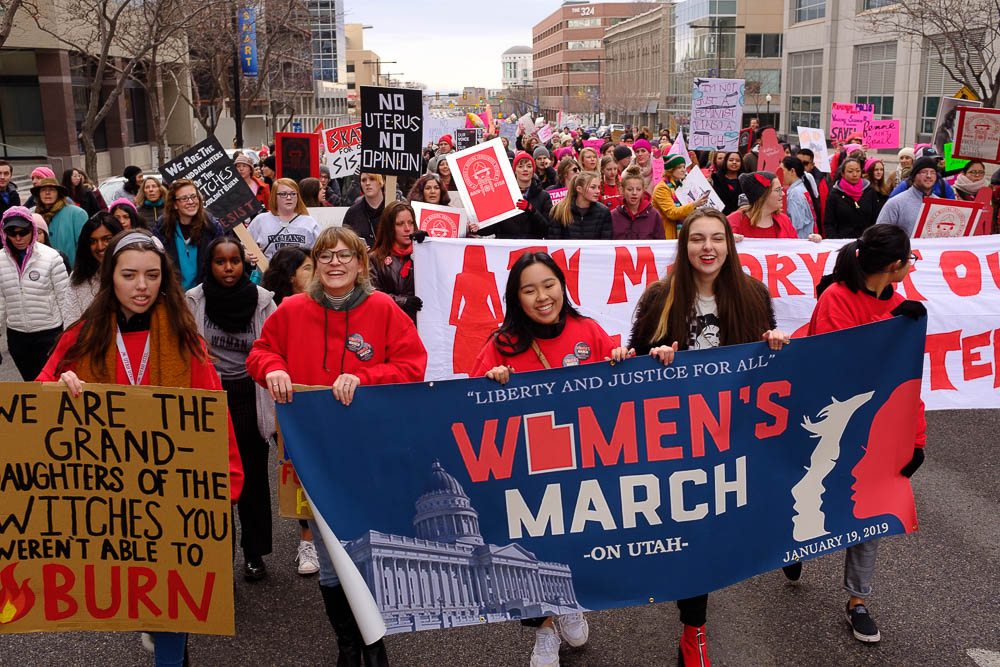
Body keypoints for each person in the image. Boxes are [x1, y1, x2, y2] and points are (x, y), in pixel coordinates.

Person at [37, 227, 244, 667]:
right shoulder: (82, 335)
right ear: (110, 276)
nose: (142, 286)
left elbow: (214, 417)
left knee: (174, 598)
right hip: (110, 497)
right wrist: (59, 386)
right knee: (139, 593)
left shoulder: (188, 340)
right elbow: (37, 401)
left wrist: (227, 482)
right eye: (129, 275)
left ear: (164, 279)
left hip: (177, 491)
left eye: (152, 275)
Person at [247, 226, 426, 667]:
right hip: (313, 456)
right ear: (315, 265)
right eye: (325, 256)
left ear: (360, 264)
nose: (334, 263)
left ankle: (374, 641)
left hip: (371, 452)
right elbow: (260, 353)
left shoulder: (382, 307)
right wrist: (273, 368)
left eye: (344, 255)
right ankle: (348, 644)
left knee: (367, 550)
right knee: (330, 561)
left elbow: (412, 365)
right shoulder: (291, 310)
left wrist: (365, 377)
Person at [628, 207, 790, 667]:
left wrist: (773, 344)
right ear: (684, 246)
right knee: (692, 533)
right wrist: (650, 356)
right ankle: (693, 629)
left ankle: (785, 548)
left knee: (729, 530)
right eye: (697, 239)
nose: (707, 248)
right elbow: (634, 368)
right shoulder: (659, 298)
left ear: (729, 244)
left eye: (716, 238)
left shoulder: (754, 295)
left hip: (735, 439)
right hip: (679, 442)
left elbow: (769, 365)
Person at [471, 250, 629, 667]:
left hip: (582, 462)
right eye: (529, 289)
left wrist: (619, 362)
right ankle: (543, 628)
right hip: (526, 468)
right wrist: (491, 382)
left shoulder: (588, 330)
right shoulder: (501, 344)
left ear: (562, 286)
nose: (542, 297)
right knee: (530, 548)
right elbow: (468, 404)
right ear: (515, 297)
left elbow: (618, 396)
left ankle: (570, 601)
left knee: (576, 536)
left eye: (549, 285)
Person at [805, 223, 926, 644]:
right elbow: (842, 366)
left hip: (877, 431)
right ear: (895, 265)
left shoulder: (902, 306)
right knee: (806, 501)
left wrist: (916, 440)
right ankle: (788, 550)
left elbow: (908, 380)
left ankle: (857, 600)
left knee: (869, 511)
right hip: (827, 425)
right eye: (909, 260)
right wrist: (891, 327)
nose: (909, 266)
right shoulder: (836, 299)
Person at [187, 236, 278, 582]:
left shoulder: (262, 302)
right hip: (209, 400)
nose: (228, 268)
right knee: (214, 484)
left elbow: (274, 349)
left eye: (234, 261)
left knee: (254, 480)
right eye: (220, 262)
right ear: (209, 265)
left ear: (244, 264)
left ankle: (254, 554)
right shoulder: (194, 300)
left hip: (249, 400)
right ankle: (217, 555)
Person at [258, 245, 320, 576]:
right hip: (284, 405)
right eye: (308, 268)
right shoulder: (274, 310)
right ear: (291, 276)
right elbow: (261, 353)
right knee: (293, 474)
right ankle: (307, 541)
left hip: (318, 403)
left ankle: (322, 537)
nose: (317, 273)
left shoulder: (326, 306)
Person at [0, 206, 72, 379]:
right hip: (18, 336)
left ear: (32, 230)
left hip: (49, 334)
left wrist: (69, 338)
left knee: (51, 384)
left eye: (23, 232)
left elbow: (65, 299)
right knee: (31, 384)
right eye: (12, 233)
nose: (18, 238)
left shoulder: (52, 257)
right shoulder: (0, 261)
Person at [153, 178, 223, 289]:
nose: (190, 202)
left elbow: (220, 260)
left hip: (204, 293)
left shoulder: (211, 226)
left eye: (193, 197)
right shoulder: (162, 227)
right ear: (175, 204)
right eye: (184, 198)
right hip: (173, 295)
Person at [470, 151, 551, 239]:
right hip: (506, 249)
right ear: (515, 170)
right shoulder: (502, 195)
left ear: (533, 171)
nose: (525, 169)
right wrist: (478, 228)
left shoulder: (544, 196)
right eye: (520, 166)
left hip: (531, 249)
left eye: (529, 166)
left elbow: (546, 230)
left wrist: (532, 210)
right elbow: (493, 227)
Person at [369, 200, 421, 323]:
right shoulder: (374, 258)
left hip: (420, 325)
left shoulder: (423, 254)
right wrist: (402, 302)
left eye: (411, 223)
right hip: (388, 323)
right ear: (389, 227)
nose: (407, 229)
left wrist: (428, 246)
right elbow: (372, 293)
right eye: (400, 224)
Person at [66, 212, 124, 322]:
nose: (100, 247)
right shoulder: (78, 278)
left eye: (107, 239)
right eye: (93, 241)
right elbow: (71, 322)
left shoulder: (132, 274)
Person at [246, 178, 320, 262]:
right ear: (274, 197)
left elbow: (320, 252)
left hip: (300, 273)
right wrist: (247, 255)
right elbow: (243, 248)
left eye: (293, 194)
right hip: (268, 273)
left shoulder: (309, 222)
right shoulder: (260, 220)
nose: (289, 197)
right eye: (283, 194)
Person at [876, 156, 944, 236]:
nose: (929, 176)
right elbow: (879, 235)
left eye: (932, 172)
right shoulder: (895, 203)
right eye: (924, 172)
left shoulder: (940, 205)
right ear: (914, 176)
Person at [728, 171, 805, 240]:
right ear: (763, 195)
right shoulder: (734, 221)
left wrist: (812, 243)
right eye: (778, 190)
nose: (783, 194)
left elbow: (795, 250)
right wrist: (727, 243)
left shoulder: (784, 221)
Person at [31, 177, 88, 265]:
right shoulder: (32, 215)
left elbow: (84, 247)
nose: (47, 193)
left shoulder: (76, 213)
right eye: (43, 190)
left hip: (70, 269)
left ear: (58, 193)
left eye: (52, 190)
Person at [652, 155, 708, 239]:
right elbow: (672, 213)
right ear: (671, 169)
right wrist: (694, 204)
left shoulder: (681, 185)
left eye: (684, 167)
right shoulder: (662, 188)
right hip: (667, 235)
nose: (683, 170)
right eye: (679, 167)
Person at [823, 157, 879, 239]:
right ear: (842, 173)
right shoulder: (834, 194)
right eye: (850, 171)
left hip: (866, 240)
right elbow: (829, 223)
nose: (855, 174)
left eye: (858, 171)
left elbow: (876, 218)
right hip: (842, 242)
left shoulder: (869, 191)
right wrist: (835, 241)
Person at [546, 170, 612, 240]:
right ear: (579, 189)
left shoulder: (603, 212)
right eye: (593, 187)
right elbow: (554, 241)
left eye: (598, 187)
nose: (597, 191)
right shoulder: (559, 210)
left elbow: (605, 243)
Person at [611, 165, 665, 240]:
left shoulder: (654, 215)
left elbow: (661, 244)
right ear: (622, 190)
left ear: (643, 190)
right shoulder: (613, 216)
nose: (634, 193)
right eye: (630, 189)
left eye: (638, 189)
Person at [888, 147, 954, 199]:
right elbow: (891, 206)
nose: (932, 164)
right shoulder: (906, 184)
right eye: (927, 161)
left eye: (936, 161)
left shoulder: (943, 185)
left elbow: (952, 208)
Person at [343, 173, 385, 247]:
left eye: (372, 179)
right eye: (363, 180)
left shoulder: (394, 209)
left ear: (382, 182)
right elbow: (345, 243)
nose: (367, 183)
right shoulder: (352, 212)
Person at [782, 157, 818, 239]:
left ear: (792, 171)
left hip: (800, 240)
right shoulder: (801, 188)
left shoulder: (795, 193)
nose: (781, 174)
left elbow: (795, 225)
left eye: (783, 170)